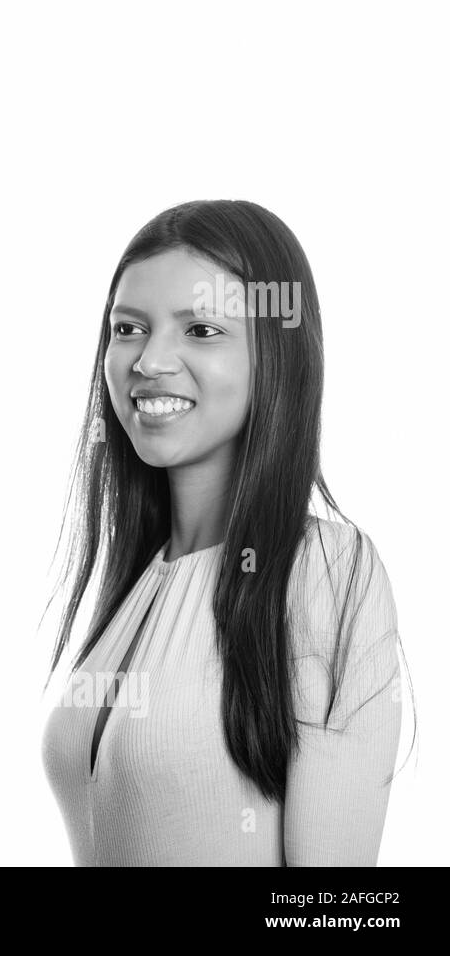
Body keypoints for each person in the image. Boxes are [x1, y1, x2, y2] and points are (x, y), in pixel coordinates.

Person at [40, 200, 408, 865]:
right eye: (129, 328)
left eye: (201, 329)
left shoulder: (325, 570)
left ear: (275, 354)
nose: (150, 360)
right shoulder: (138, 582)